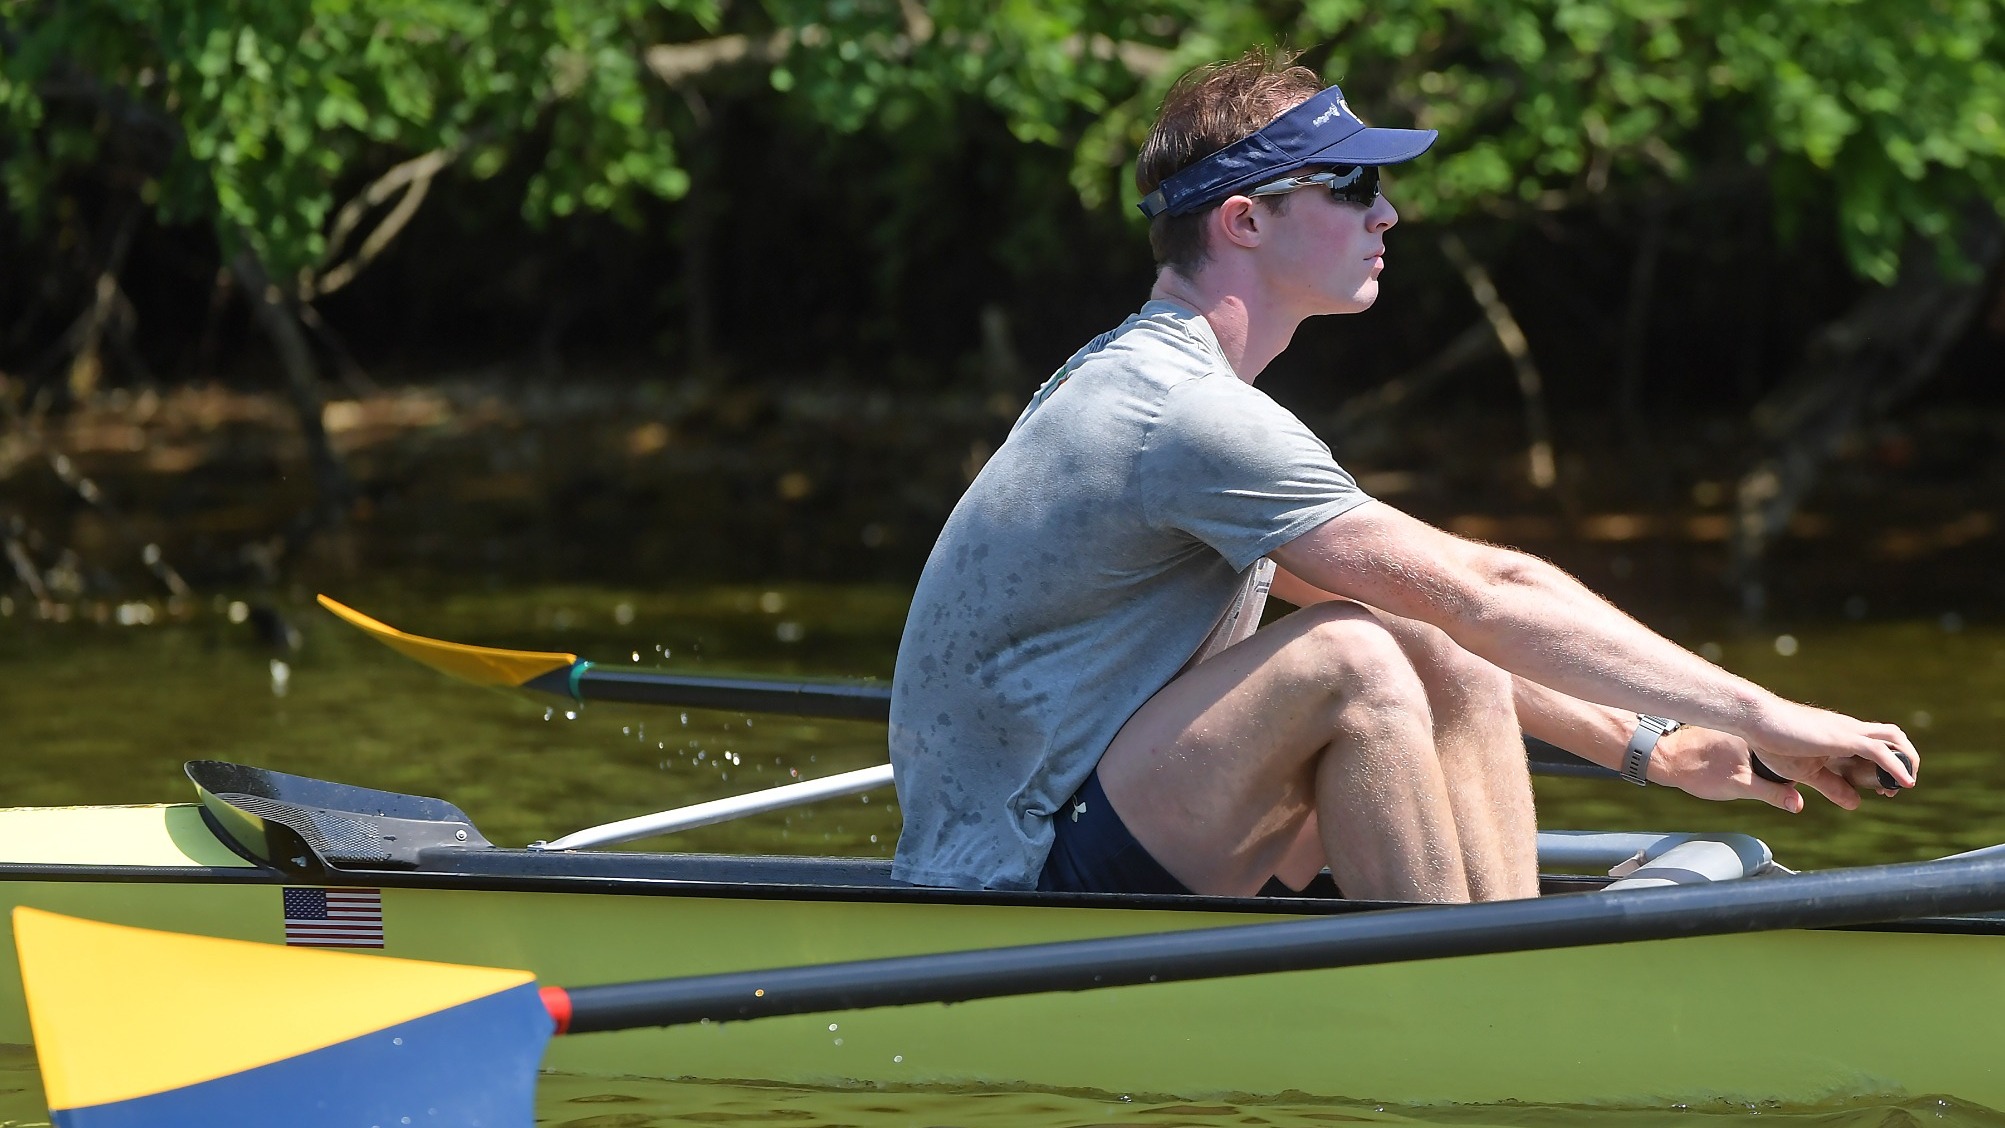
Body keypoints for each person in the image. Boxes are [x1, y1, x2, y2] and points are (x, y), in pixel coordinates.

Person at [886, 49, 1918, 902]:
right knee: (1351, 657)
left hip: (1107, 817)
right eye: (1353, 186)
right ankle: (1459, 1008)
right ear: (1242, 221)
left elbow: (1445, 619)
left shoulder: (1168, 392)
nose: (1387, 217)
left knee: (1419, 640)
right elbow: (1491, 588)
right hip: (1012, 876)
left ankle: (1501, 974)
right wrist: (1769, 715)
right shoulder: (1185, 416)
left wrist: (1650, 748)